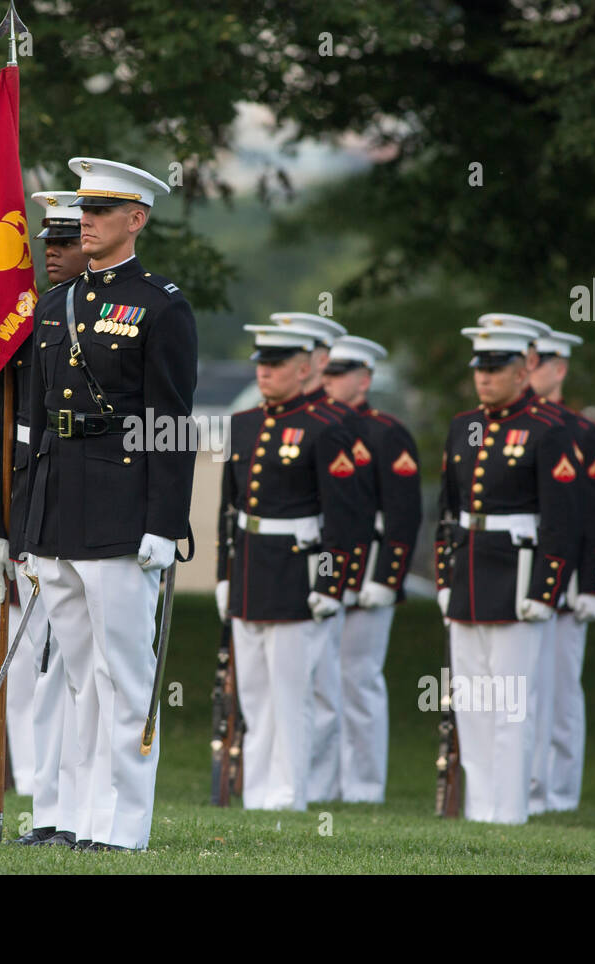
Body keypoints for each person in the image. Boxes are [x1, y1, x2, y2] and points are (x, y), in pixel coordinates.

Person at [2, 157, 197, 852]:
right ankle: (77, 818)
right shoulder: (55, 305)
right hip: (57, 507)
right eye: (83, 210)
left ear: (136, 219)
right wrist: (24, 520)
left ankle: (121, 826)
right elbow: (31, 425)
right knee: (78, 677)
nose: (85, 221)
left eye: (102, 211)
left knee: (123, 676)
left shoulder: (160, 304)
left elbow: (171, 423)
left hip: (120, 508)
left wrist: (164, 525)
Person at [215, 325, 369, 810]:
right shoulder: (242, 423)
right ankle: (259, 790)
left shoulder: (326, 426)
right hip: (250, 567)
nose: (264, 371)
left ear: (304, 369)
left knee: (291, 693)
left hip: (296, 570)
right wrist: (224, 573)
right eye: (261, 361)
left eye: (277, 364)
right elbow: (228, 509)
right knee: (256, 695)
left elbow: (345, 518)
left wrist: (330, 580)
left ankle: (289, 792)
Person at [0, 189, 90, 846]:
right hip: (25, 524)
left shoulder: (101, 322)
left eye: (67, 241)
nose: (53, 252)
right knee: (25, 676)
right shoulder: (23, 320)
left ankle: (71, 808)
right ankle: (41, 807)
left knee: (74, 672)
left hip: (75, 523)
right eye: (48, 242)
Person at [436, 322, 578, 824]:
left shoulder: (548, 428)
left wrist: (546, 588)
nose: (486, 379)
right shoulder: (462, 425)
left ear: (525, 371)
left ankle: (511, 809)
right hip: (470, 568)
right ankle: (481, 807)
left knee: (512, 702)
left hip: (518, 570)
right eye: (481, 369)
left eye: (497, 369)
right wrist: (443, 578)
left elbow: (562, 520)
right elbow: (447, 511)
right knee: (472, 704)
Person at [321, 335, 422, 803]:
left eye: (339, 372)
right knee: (321, 680)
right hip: (322, 565)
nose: (329, 380)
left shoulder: (385, 433)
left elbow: (402, 515)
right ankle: (322, 783)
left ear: (365, 378)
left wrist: (387, 577)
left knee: (358, 679)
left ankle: (362, 787)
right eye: (326, 370)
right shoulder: (317, 425)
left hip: (366, 571)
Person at [526, 328, 595, 812]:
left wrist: (594, 582)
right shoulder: (510, 428)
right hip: (520, 573)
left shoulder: (584, 434)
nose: (526, 370)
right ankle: (524, 786)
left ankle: (559, 792)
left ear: (559, 368)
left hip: (566, 581)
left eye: (536, 362)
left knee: (559, 691)